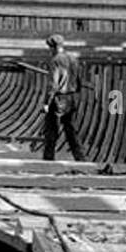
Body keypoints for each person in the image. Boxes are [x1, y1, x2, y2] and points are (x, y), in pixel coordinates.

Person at [41, 34, 85, 162]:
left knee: (51, 129)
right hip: (71, 98)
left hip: (58, 98)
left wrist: (46, 103)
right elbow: (78, 80)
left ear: (53, 47)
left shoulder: (55, 60)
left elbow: (53, 84)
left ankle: (48, 159)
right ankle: (80, 157)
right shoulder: (73, 59)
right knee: (71, 129)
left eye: (50, 48)